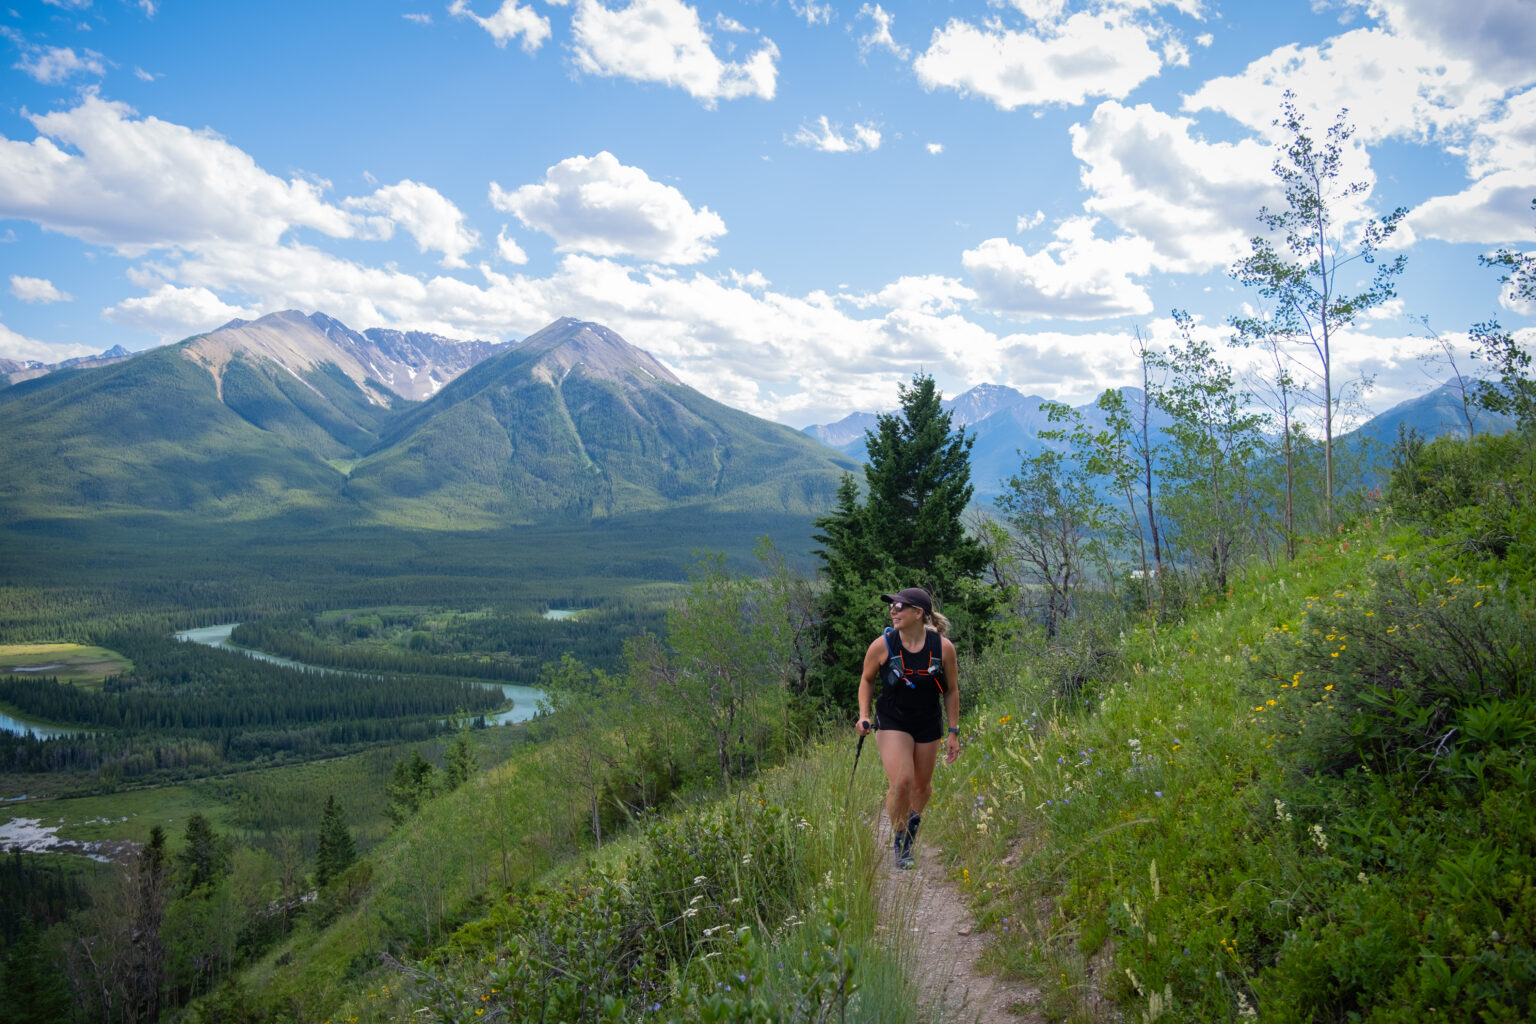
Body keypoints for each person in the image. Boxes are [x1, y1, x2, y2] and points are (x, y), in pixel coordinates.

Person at [856, 586, 960, 869]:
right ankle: (900, 838)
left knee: (922, 787)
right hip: (892, 719)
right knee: (902, 782)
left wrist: (954, 731)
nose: (893, 610)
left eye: (900, 607)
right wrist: (864, 715)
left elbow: (950, 690)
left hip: (927, 720)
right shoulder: (883, 645)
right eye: (892, 606)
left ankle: (911, 828)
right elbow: (867, 680)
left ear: (918, 613)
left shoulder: (942, 648)